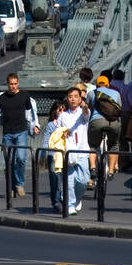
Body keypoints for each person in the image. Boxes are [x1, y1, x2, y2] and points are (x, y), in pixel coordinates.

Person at [0, 73, 39, 198]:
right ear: (7, 84)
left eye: (15, 84)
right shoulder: (2, 98)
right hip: (8, 133)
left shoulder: (24, 96)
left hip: (21, 131)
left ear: (18, 83)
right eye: (11, 84)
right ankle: (11, 186)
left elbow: (30, 113)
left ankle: (19, 184)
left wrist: (34, 126)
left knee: (21, 158)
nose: (13, 86)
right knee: (9, 161)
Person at [55, 85, 91, 214]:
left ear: (80, 98)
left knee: (84, 180)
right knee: (68, 180)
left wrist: (84, 105)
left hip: (81, 150)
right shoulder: (63, 116)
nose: (73, 99)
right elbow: (57, 131)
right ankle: (69, 204)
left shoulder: (83, 113)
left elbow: (86, 113)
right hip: (67, 152)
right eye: (70, 97)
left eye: (76, 97)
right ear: (67, 99)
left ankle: (77, 198)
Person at [87, 74, 122, 176]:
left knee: (92, 145)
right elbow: (119, 109)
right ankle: (111, 171)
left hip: (97, 121)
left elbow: (87, 109)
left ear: (97, 85)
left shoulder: (91, 93)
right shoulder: (116, 93)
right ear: (108, 85)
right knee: (114, 145)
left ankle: (93, 168)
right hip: (114, 123)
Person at [38, 101, 67, 210]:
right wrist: (42, 155)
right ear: (55, 111)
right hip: (53, 155)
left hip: (65, 155)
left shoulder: (68, 124)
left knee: (64, 179)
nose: (62, 112)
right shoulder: (51, 125)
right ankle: (56, 201)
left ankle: (62, 199)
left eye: (64, 109)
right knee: (55, 179)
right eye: (60, 110)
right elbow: (46, 140)